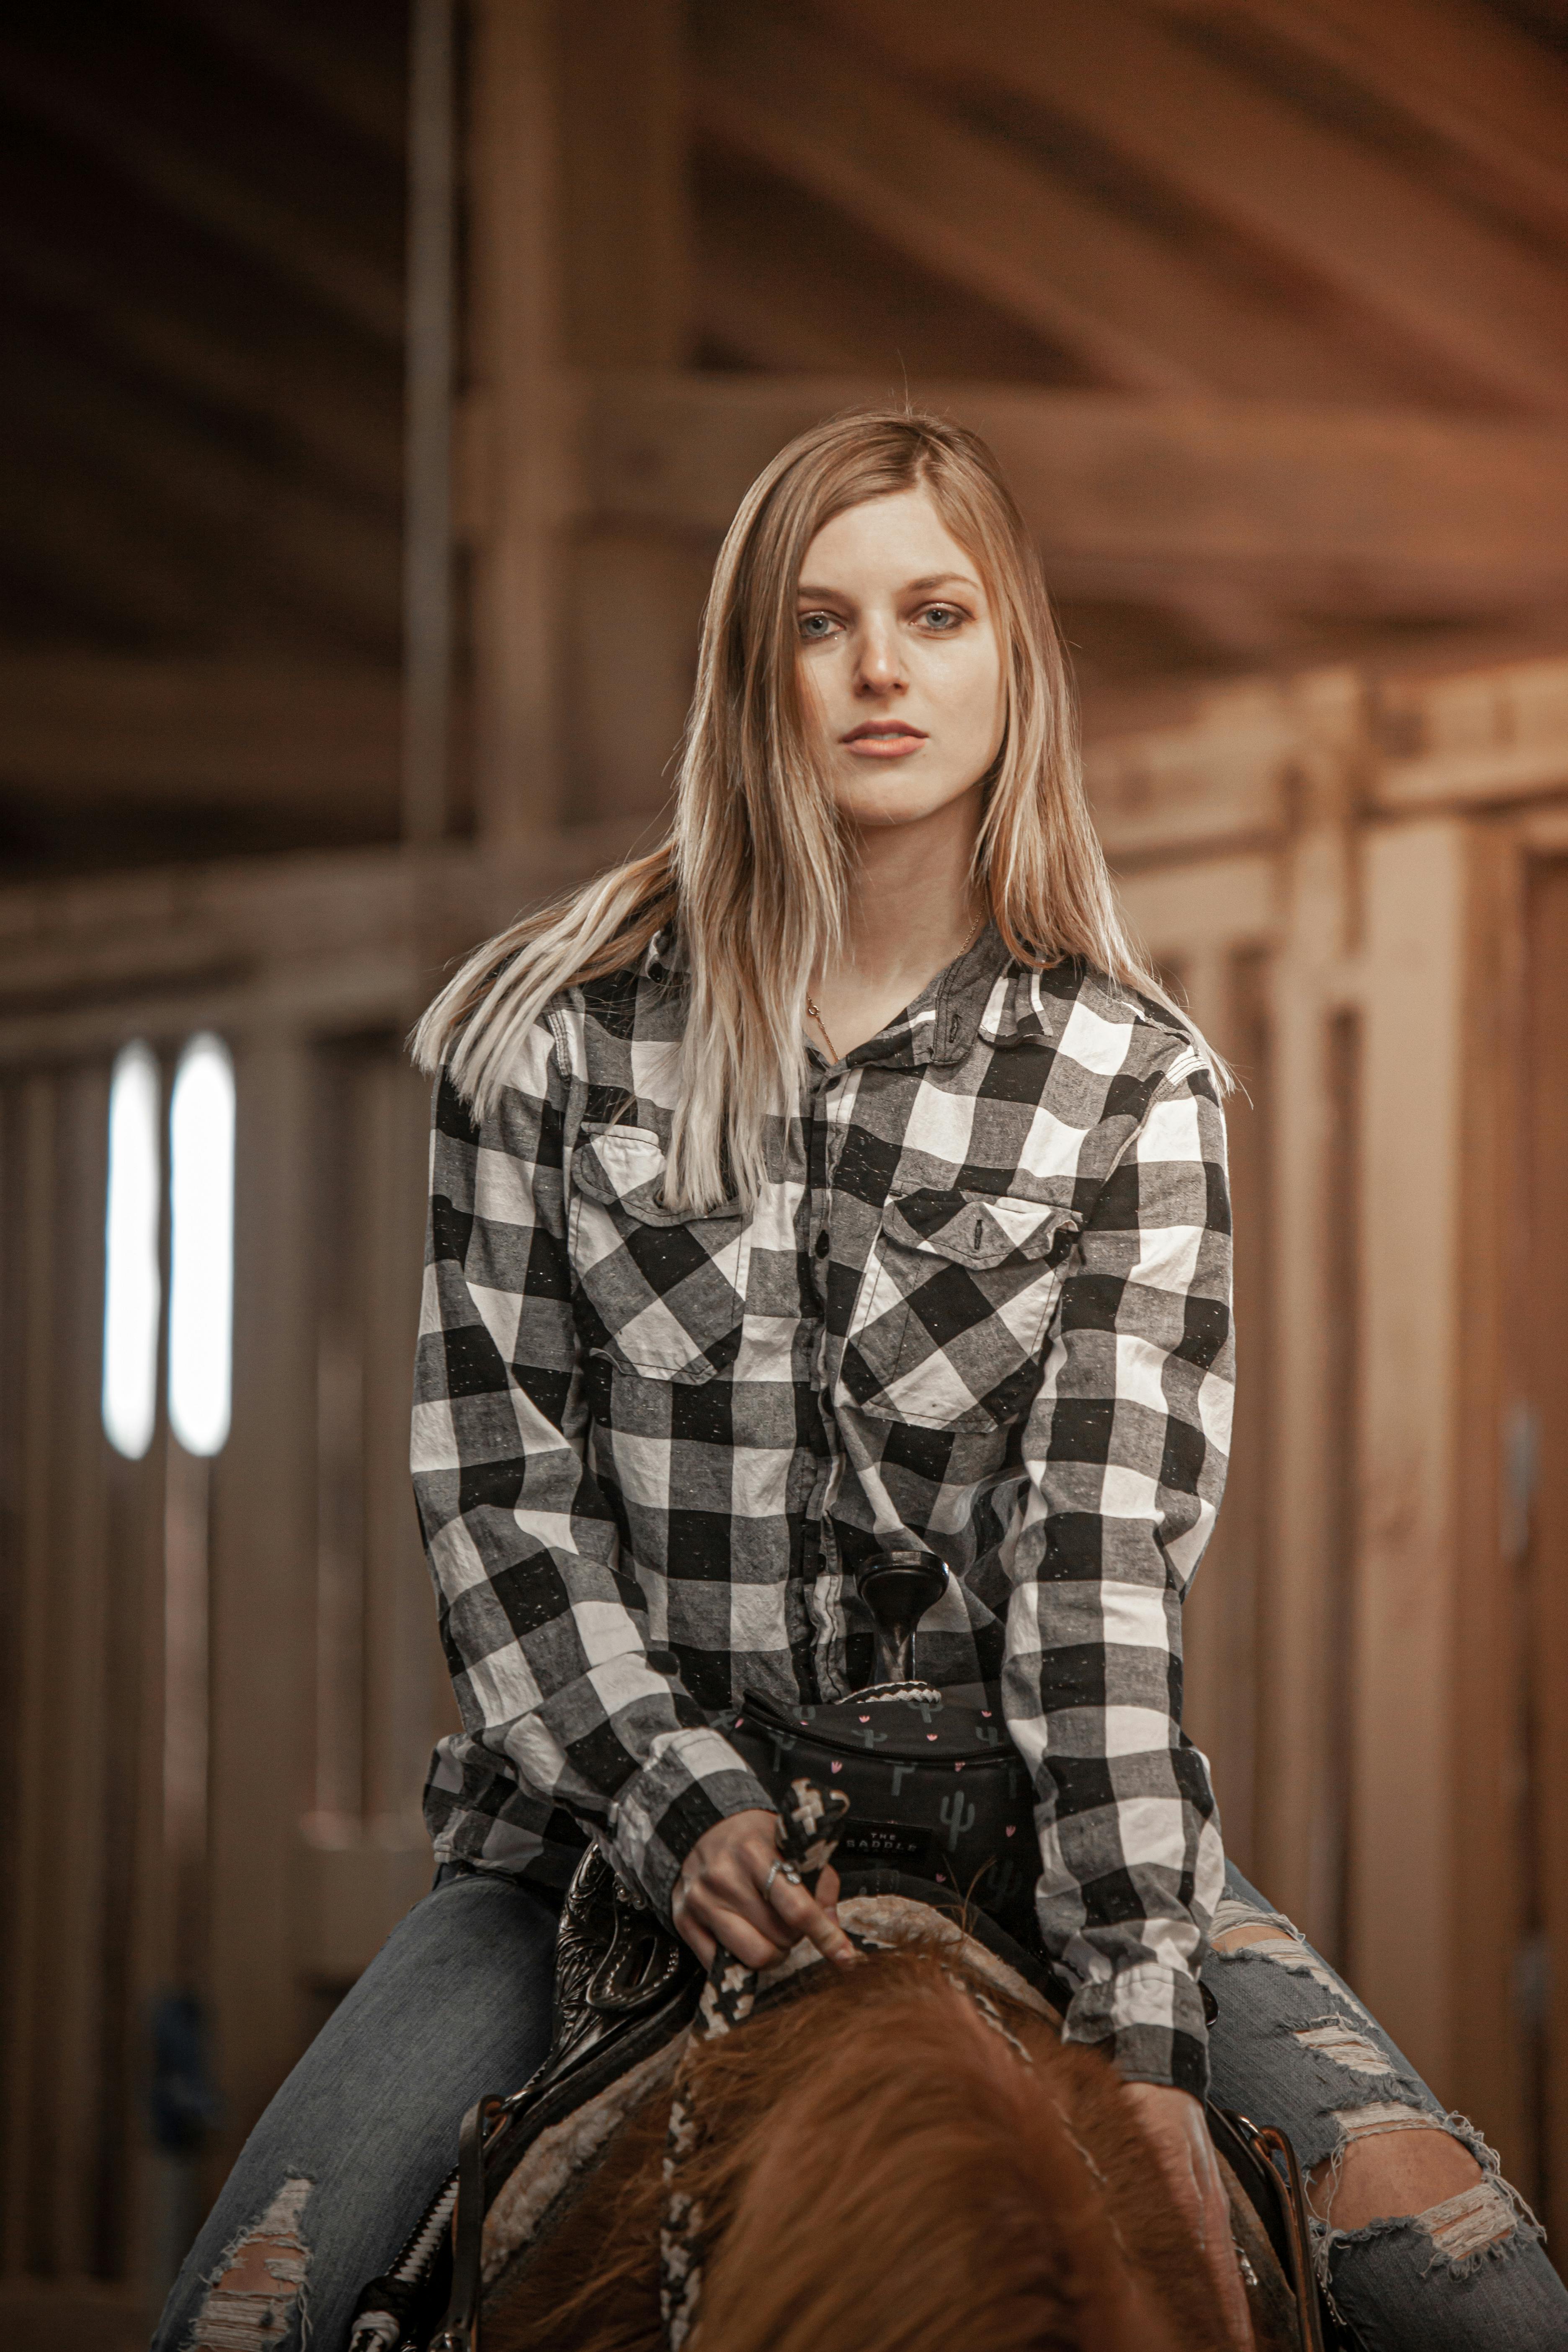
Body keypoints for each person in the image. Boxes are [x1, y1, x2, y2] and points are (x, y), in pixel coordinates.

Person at [152, 409, 1565, 2352]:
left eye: (935, 614)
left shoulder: (1128, 1092)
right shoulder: (550, 1048)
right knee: (247, 2324)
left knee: (1493, 2315)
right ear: (756, 671)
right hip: (591, 1862)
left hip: (1020, 1836)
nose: (882, 669)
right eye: (822, 624)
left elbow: (1096, 1582)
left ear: (1013, 665)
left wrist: (1142, 2006)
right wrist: (679, 1803)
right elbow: (501, 1498)